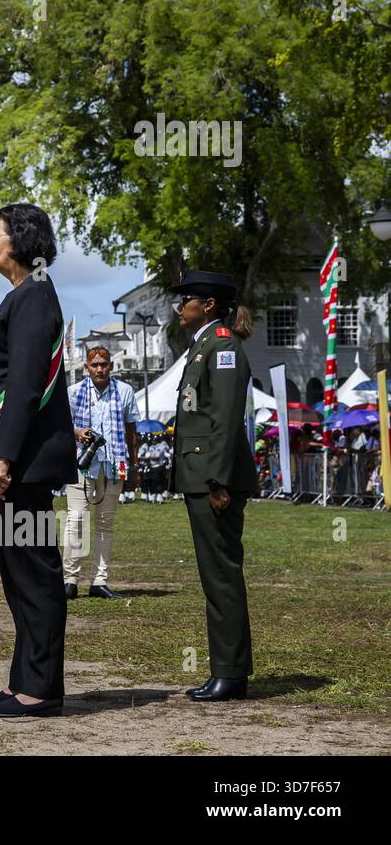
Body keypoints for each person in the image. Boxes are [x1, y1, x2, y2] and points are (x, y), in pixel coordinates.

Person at [0, 202, 76, 718]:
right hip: (15, 464)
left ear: (20, 241)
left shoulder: (34, 297)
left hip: (24, 465)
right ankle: (22, 680)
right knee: (17, 576)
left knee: (35, 575)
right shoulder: (22, 296)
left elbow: (27, 385)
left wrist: (4, 456)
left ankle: (43, 688)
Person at [167, 270, 256, 702]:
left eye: (185, 300)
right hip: (201, 476)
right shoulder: (203, 345)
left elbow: (224, 418)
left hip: (213, 479)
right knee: (214, 575)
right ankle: (226, 669)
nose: (178, 307)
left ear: (207, 305)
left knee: (221, 576)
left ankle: (231, 673)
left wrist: (218, 479)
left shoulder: (221, 346)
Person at [64, 346, 139, 600]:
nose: (99, 369)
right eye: (94, 365)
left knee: (106, 524)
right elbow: (61, 426)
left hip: (113, 464)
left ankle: (99, 580)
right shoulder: (73, 393)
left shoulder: (126, 392)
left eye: (104, 364)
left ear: (111, 366)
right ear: (86, 367)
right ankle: (70, 580)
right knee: (76, 521)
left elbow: (131, 432)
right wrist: (78, 433)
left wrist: (135, 465)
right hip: (81, 466)